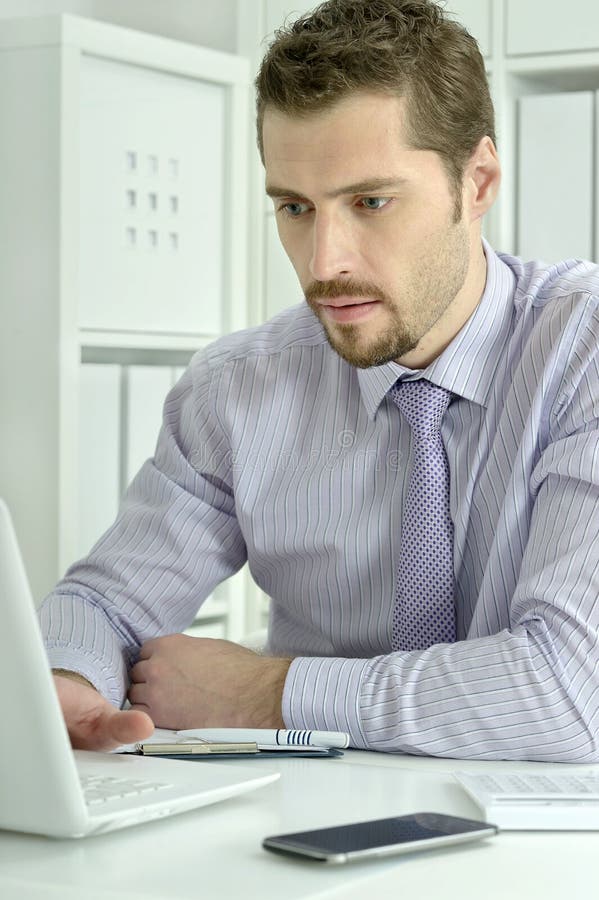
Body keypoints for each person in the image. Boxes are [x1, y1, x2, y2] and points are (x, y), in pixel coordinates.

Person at [42, 0, 599, 761]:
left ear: (476, 182)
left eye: (369, 202)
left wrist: (266, 694)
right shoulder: (236, 389)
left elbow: (570, 693)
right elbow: (105, 602)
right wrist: (71, 676)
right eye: (294, 207)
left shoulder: (581, 350)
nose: (323, 260)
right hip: (302, 841)